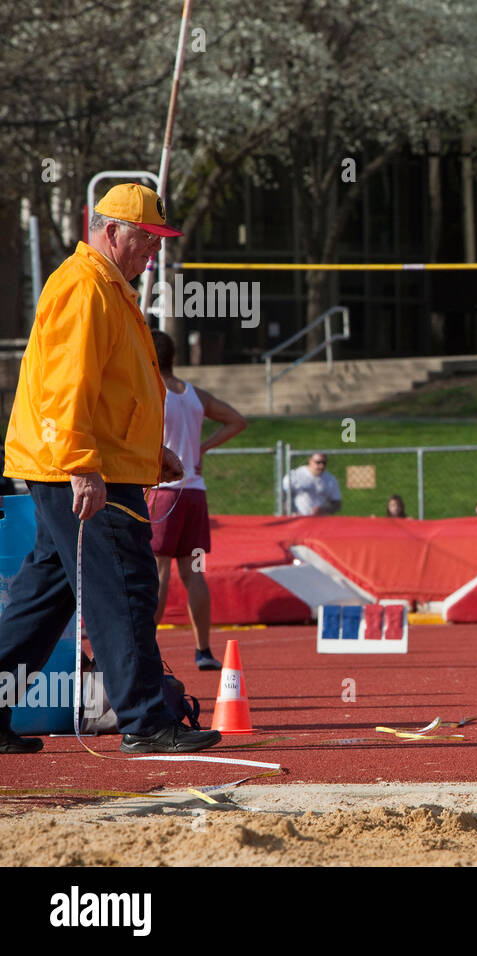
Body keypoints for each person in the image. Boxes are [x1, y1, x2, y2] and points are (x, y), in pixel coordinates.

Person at [0, 182, 220, 754]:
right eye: (146, 240)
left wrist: (148, 454)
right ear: (111, 231)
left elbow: (112, 390)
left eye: (159, 242)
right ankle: (147, 721)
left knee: (45, 598)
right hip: (80, 470)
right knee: (124, 587)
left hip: (79, 466)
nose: (154, 252)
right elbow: (65, 389)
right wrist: (82, 465)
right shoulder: (85, 288)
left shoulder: (106, 287)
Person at [149, 331, 247, 671]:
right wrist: (202, 447)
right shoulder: (192, 393)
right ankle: (203, 650)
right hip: (195, 490)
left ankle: (145, 648)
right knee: (194, 573)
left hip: (163, 490)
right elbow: (237, 420)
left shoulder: (151, 389)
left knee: (159, 570)